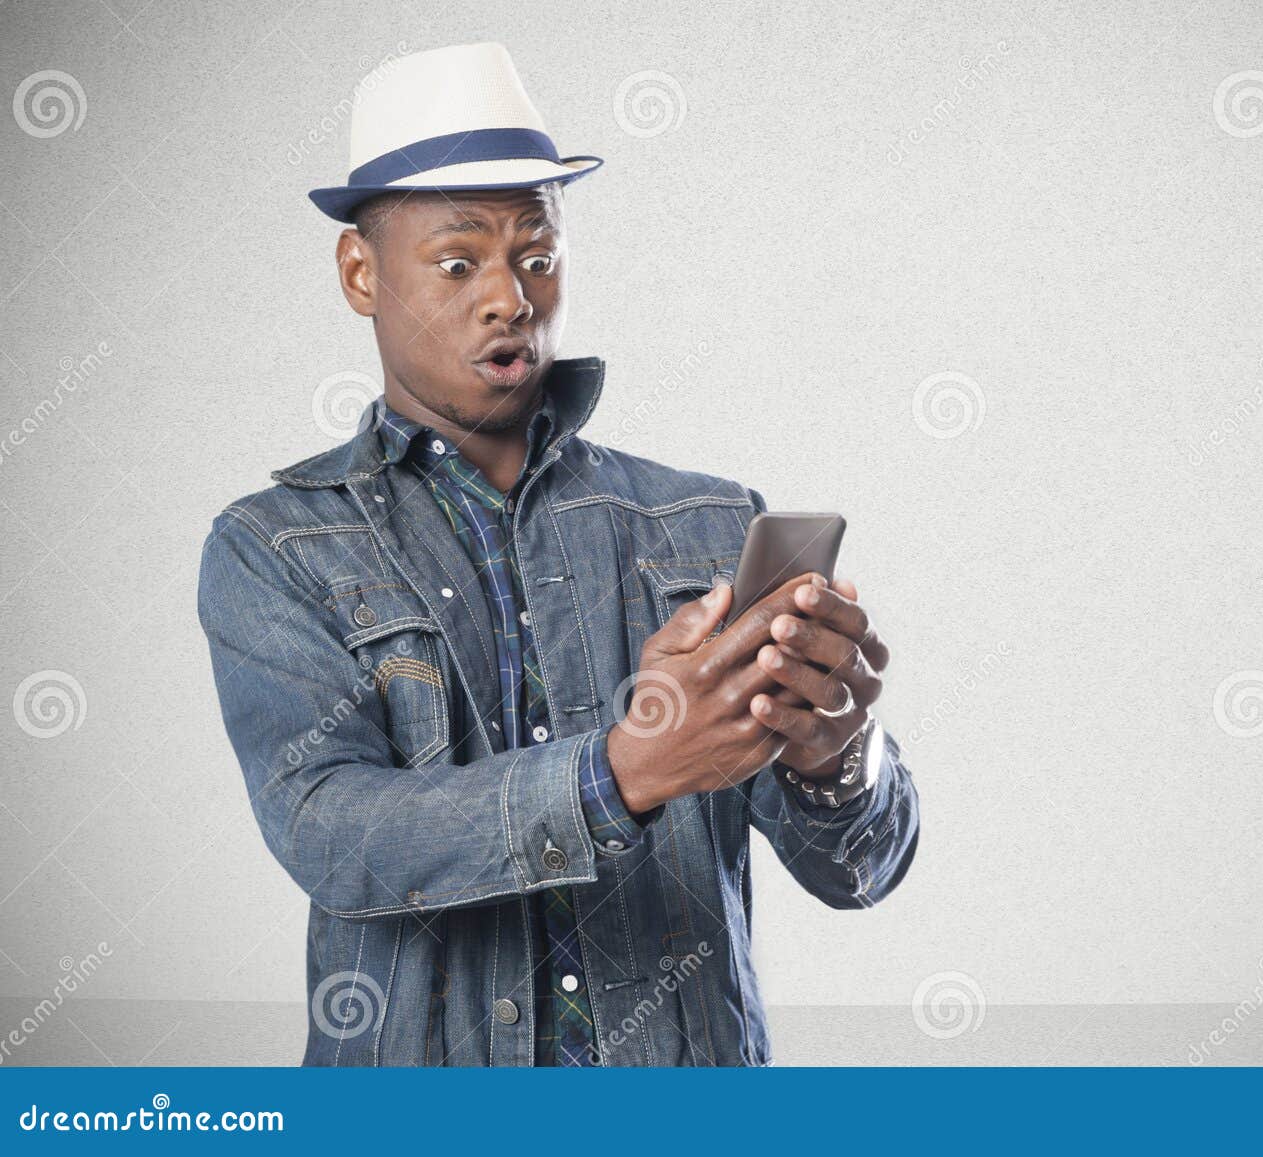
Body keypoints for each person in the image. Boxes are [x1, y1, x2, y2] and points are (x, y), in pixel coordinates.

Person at [196, 41, 918, 1067]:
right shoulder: (275, 547)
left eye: (536, 254)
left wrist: (833, 755)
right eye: (458, 261)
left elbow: (859, 870)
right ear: (361, 272)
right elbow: (330, 832)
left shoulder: (706, 524)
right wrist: (614, 773)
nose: (510, 297)